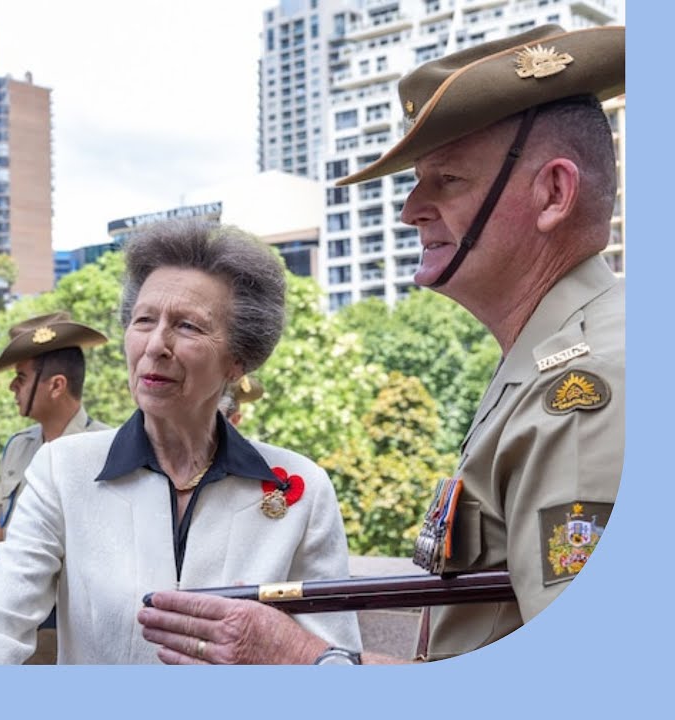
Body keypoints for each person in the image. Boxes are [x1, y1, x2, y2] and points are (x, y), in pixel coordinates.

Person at [138, 24, 625, 664]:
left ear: (554, 193)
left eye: (447, 180)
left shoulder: (590, 388)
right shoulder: (545, 362)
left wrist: (302, 662)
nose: (410, 209)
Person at [0, 219, 360, 664]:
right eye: (143, 320)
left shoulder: (302, 489)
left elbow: (334, 654)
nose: (156, 344)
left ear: (238, 359)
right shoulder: (62, 468)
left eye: (189, 326)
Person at [0, 312, 112, 662]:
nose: (13, 387)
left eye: (21, 378)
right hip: (12, 616)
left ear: (56, 385)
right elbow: (4, 527)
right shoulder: (20, 446)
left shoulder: (103, 450)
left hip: (70, 624)